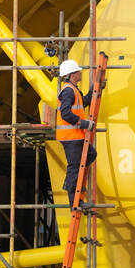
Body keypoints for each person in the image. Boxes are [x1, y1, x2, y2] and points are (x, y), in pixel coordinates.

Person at [56, 59, 99, 211]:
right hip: (70, 136)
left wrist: (95, 91)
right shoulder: (68, 91)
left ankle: (73, 184)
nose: (81, 73)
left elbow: (84, 102)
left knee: (90, 155)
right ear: (72, 74)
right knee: (74, 167)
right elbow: (66, 113)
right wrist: (83, 123)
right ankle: (74, 202)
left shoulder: (73, 90)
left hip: (76, 135)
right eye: (78, 71)